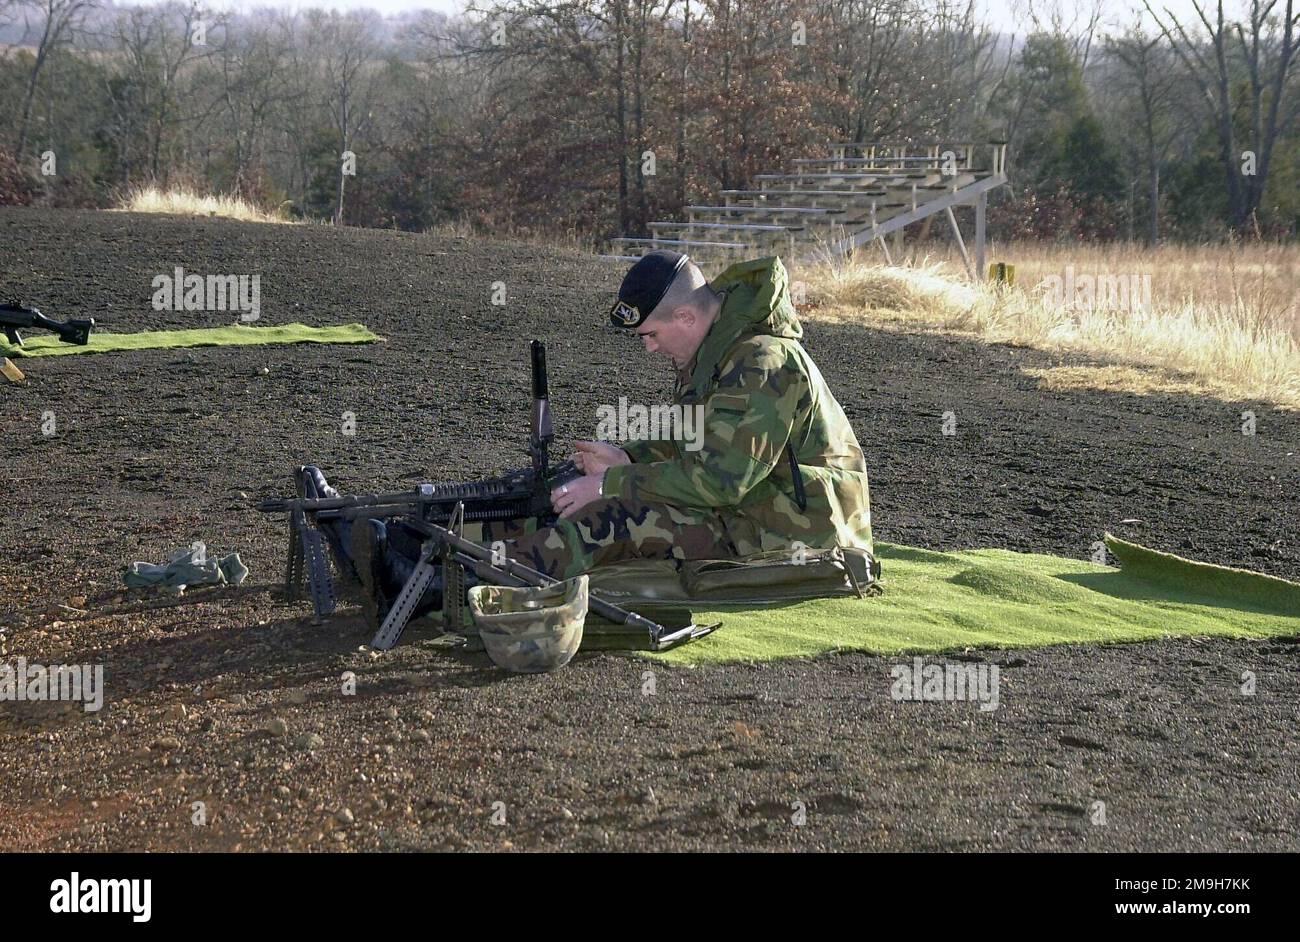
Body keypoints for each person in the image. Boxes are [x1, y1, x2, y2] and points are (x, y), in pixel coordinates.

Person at [313, 250, 873, 628]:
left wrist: (618, 480)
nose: (649, 349)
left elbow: (724, 479)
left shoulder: (761, 362)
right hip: (747, 507)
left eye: (652, 335)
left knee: (614, 517)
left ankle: (441, 586)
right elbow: (697, 444)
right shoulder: (720, 352)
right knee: (562, 490)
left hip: (788, 533)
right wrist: (625, 457)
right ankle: (405, 543)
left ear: (685, 316)